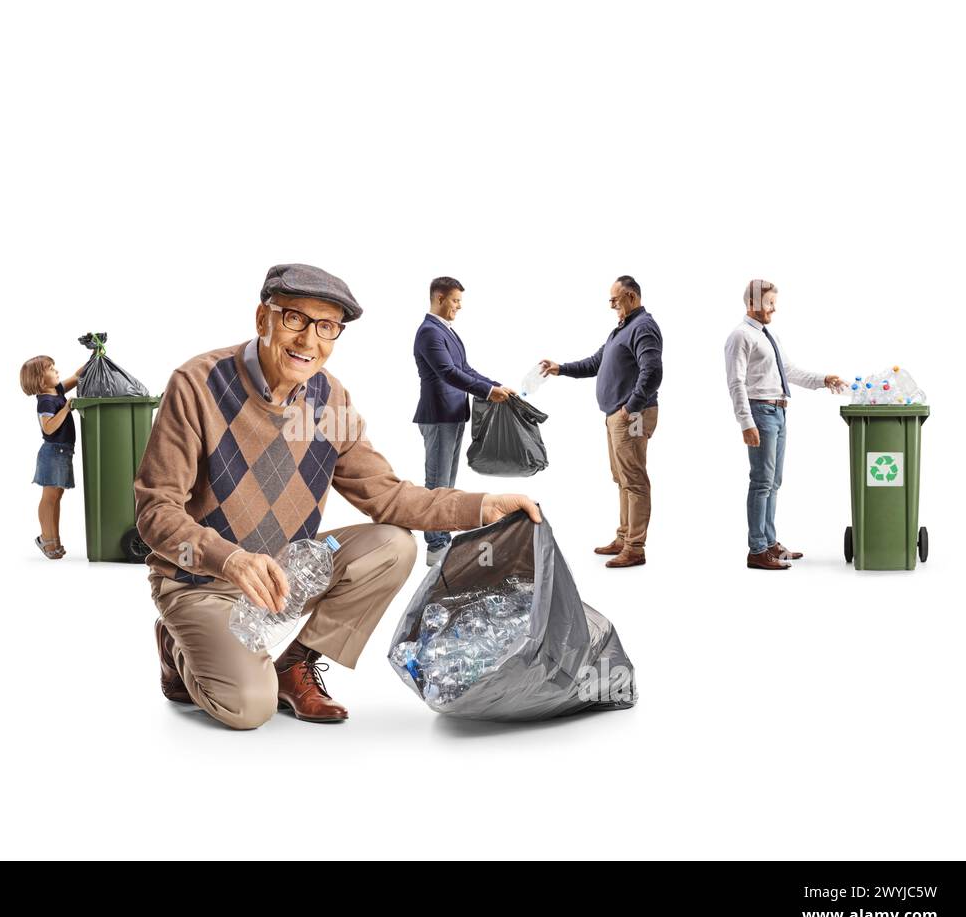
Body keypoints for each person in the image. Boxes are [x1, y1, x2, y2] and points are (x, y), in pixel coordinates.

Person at [135, 263, 540, 730]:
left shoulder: (330, 401)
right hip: (200, 580)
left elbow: (387, 497)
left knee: (394, 544)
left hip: (283, 575)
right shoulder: (196, 384)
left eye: (327, 327)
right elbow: (155, 510)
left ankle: (293, 665)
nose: (309, 340)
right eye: (295, 319)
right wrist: (230, 560)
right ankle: (177, 647)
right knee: (249, 709)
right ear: (262, 319)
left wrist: (482, 505)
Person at [539, 275, 662, 568]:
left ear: (632, 297)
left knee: (634, 480)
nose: (611, 306)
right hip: (616, 416)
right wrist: (561, 369)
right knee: (622, 479)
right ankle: (624, 537)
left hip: (631, 416)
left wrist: (630, 407)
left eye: (615, 300)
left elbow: (653, 371)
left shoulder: (644, 327)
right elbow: (596, 363)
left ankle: (635, 547)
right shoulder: (620, 329)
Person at [724, 279, 846, 570]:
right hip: (761, 413)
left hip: (779, 412)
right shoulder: (741, 336)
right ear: (752, 303)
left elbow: (788, 371)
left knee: (774, 482)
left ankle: (769, 542)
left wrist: (822, 380)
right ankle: (757, 550)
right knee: (761, 482)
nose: (774, 309)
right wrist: (746, 422)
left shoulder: (769, 335)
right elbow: (736, 382)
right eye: (769, 303)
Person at [412, 276, 518, 565]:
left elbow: (465, 368)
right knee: (437, 483)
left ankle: (443, 538)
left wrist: (495, 385)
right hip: (438, 416)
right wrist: (487, 391)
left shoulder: (446, 331)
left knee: (447, 482)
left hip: (454, 414)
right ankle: (436, 547)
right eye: (456, 300)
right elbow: (448, 372)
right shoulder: (429, 333)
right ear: (440, 298)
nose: (459, 307)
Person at [20, 355, 87, 559]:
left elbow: (76, 376)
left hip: (63, 452)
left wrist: (94, 357)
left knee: (56, 498)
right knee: (49, 499)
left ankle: (53, 541)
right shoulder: (46, 401)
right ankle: (47, 541)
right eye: (51, 369)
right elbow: (48, 428)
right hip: (53, 453)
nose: (57, 371)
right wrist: (66, 408)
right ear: (41, 379)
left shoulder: (56, 391)